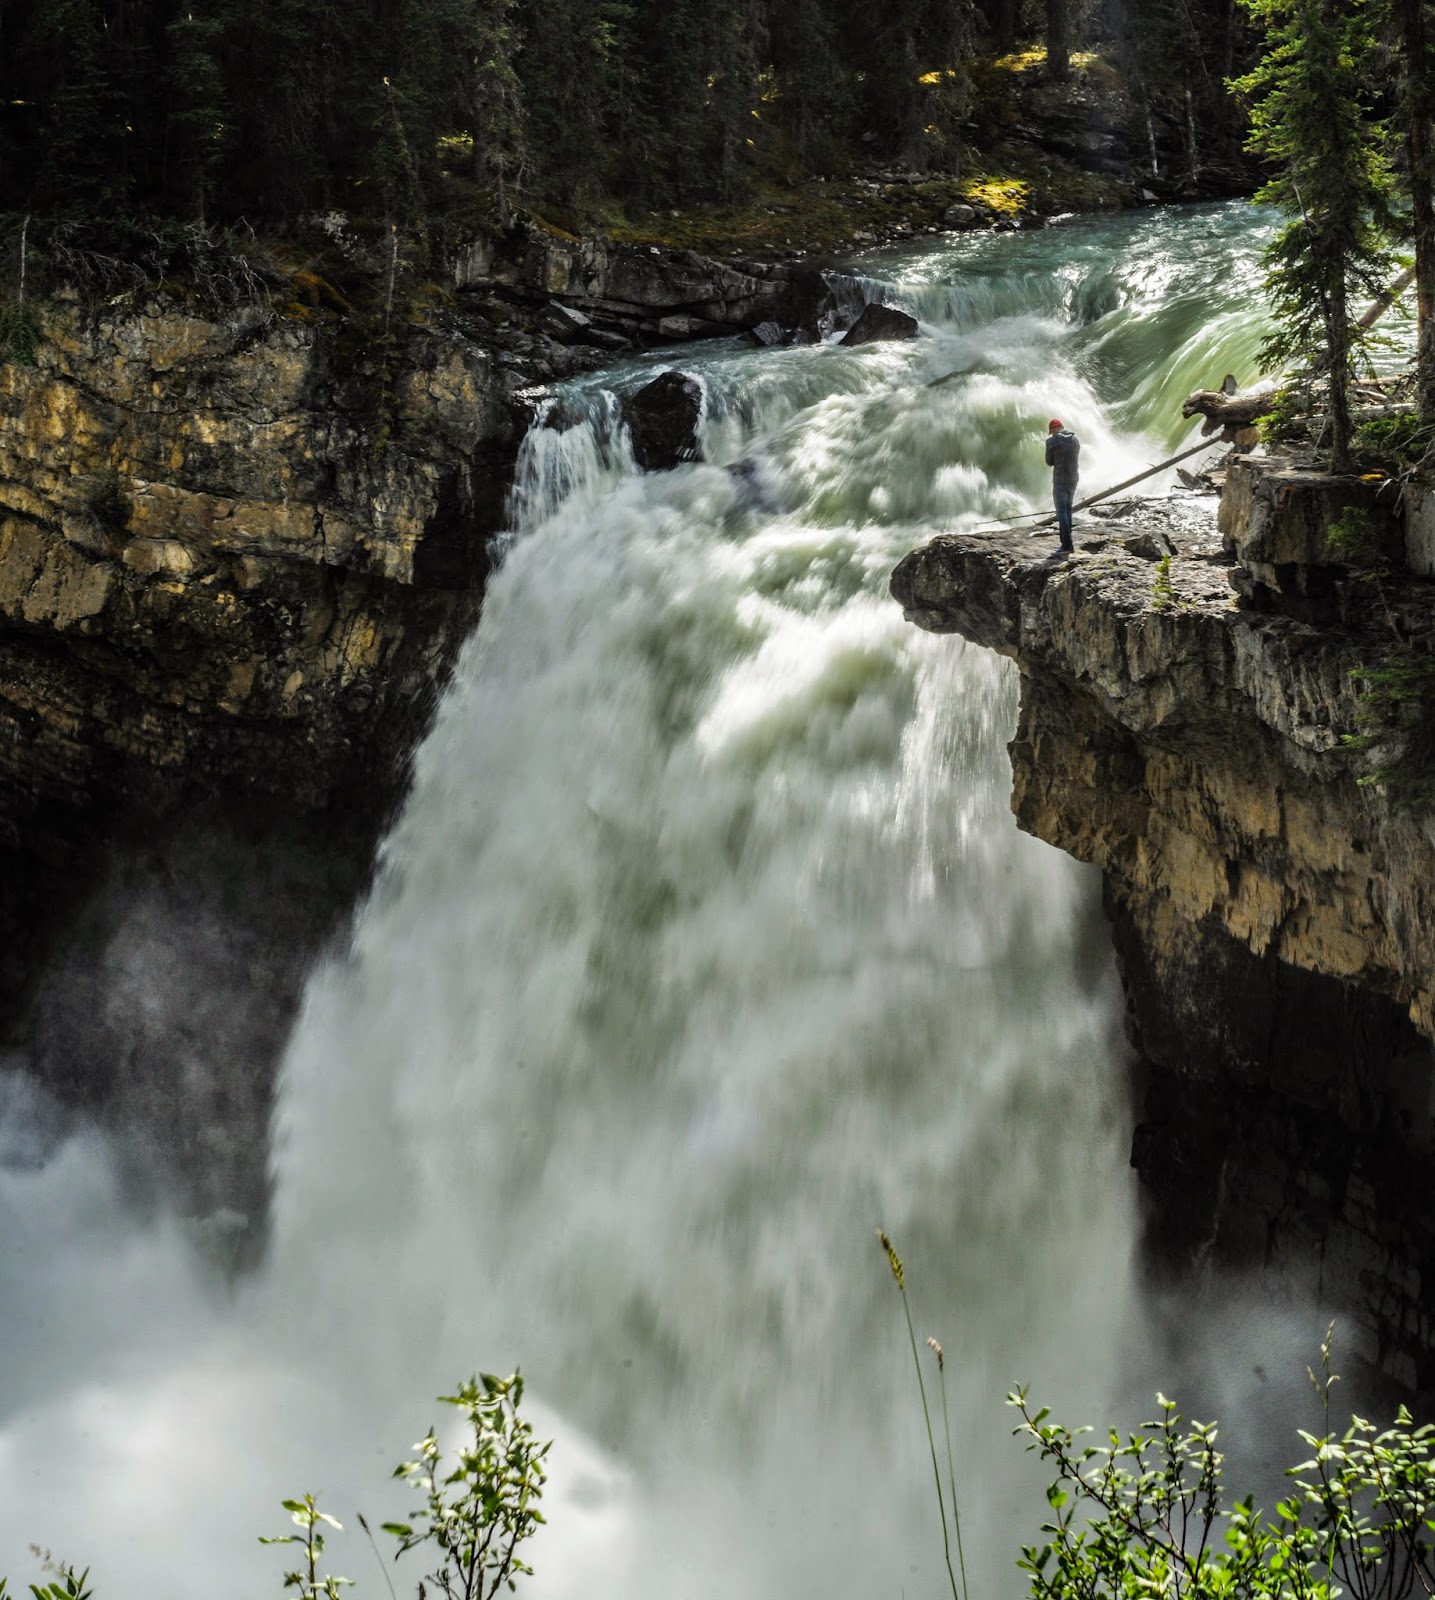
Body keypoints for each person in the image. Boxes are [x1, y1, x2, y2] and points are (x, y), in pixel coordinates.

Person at [1045, 419, 1080, 554]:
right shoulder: (1075, 440)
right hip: (1073, 478)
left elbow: (1049, 462)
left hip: (1060, 480)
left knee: (1061, 512)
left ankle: (1066, 546)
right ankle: (1068, 543)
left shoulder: (1052, 441)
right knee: (1068, 510)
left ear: (1053, 429)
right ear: (1062, 427)